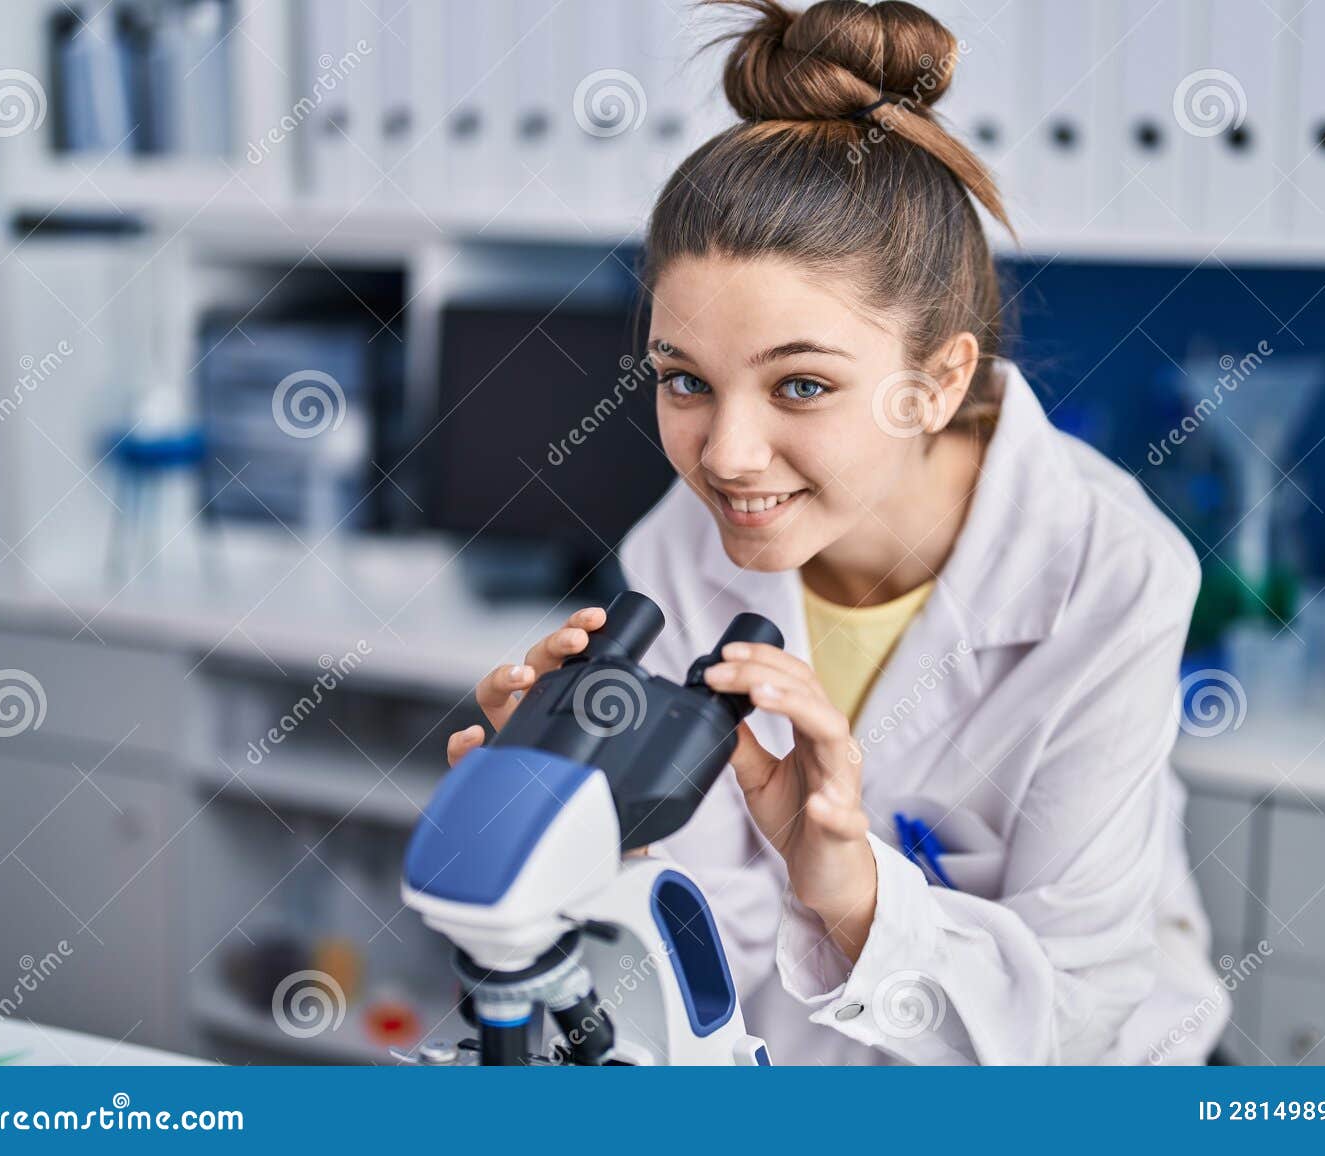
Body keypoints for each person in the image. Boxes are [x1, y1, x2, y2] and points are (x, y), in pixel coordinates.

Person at [448, 0, 1225, 1065]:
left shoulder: (1106, 572)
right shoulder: (678, 550)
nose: (725, 455)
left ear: (938, 381)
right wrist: (582, 839)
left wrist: (857, 894)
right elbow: (707, 948)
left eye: (800, 383)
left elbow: (1073, 1020)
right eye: (683, 379)